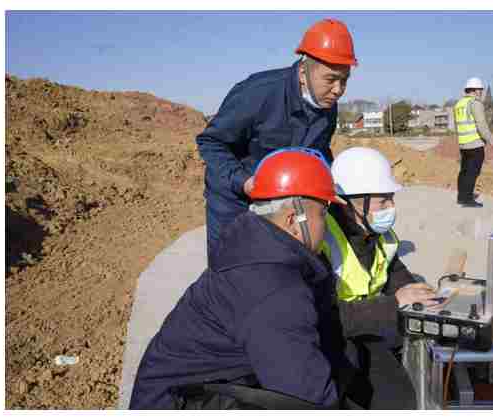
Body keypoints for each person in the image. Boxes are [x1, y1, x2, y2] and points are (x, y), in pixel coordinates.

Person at [129, 149, 352, 409]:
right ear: (293, 219)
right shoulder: (273, 288)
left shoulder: (253, 249)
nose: (326, 225)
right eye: (323, 213)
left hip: (189, 392)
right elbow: (308, 400)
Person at [196, 18, 357, 265]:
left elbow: (318, 150)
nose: (338, 90)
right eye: (330, 79)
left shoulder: (327, 107)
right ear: (303, 72)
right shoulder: (258, 93)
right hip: (233, 200)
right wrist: (244, 181)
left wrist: (330, 184)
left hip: (278, 202)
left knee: (277, 271)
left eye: (344, 80)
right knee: (231, 270)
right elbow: (211, 142)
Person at [319, 147, 441, 409]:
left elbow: (393, 268)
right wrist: (394, 302)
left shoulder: (378, 234)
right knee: (397, 400)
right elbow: (327, 317)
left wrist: (414, 291)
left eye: (391, 199)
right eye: (382, 201)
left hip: (369, 325)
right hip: (339, 337)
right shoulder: (322, 242)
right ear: (348, 202)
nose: (391, 208)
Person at [453, 77, 493, 208]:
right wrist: (490, 140)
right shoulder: (475, 103)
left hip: (463, 144)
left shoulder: (459, 104)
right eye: (480, 90)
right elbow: (481, 124)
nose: (481, 92)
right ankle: (468, 199)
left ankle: (461, 197)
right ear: (475, 90)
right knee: (473, 172)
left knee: (464, 171)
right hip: (475, 144)